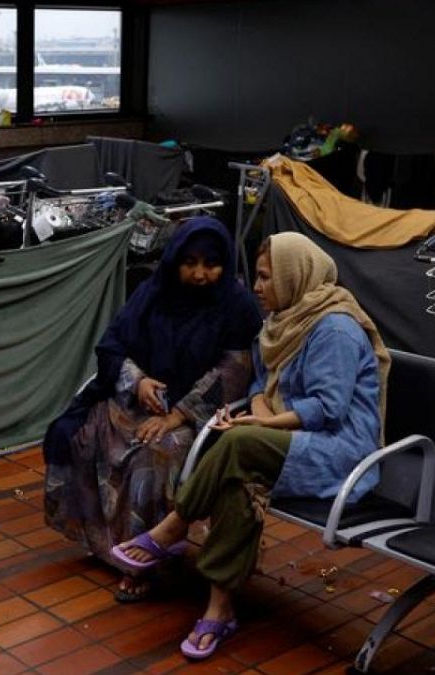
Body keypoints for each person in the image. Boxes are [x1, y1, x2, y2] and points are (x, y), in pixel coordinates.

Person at [112, 231, 390, 660]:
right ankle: (219, 610)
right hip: (286, 438)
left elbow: (328, 409)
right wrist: (253, 415)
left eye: (266, 278)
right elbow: (262, 384)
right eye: (257, 277)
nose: (256, 287)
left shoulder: (334, 327)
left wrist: (260, 424)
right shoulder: (281, 321)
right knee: (237, 474)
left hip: (339, 450)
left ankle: (174, 527)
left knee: (238, 446)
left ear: (294, 276)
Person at [44, 217, 263, 602]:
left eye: (210, 264)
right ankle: (106, 544)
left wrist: (178, 414)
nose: (199, 274)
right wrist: (139, 381)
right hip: (140, 397)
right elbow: (112, 344)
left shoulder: (237, 305)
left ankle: (144, 561)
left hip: (202, 415)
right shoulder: (153, 292)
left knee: (155, 455)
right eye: (189, 262)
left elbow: (235, 370)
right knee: (81, 433)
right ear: (174, 260)